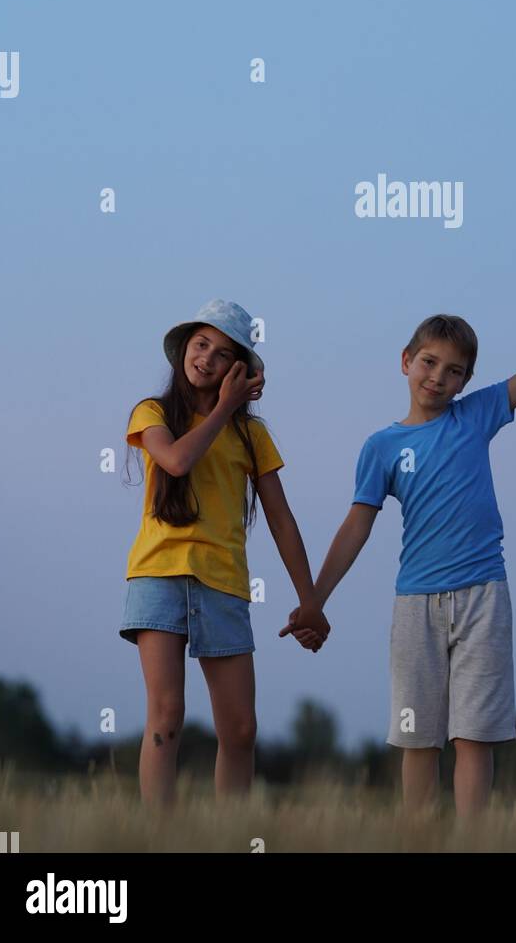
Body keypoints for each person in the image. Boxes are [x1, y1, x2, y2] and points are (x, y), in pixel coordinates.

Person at [282, 276, 516, 817]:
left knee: (475, 737)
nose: (438, 377)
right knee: (418, 738)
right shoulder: (382, 447)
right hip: (415, 603)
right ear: (405, 361)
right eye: (429, 363)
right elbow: (356, 527)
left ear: (467, 381)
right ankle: (419, 841)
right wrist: (315, 598)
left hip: (484, 598)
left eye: (454, 370)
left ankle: (473, 842)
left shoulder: (477, 415)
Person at [119, 298, 329, 806]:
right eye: (200, 344)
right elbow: (176, 460)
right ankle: (158, 840)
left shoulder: (252, 435)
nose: (206, 358)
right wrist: (224, 409)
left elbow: (281, 517)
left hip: (225, 582)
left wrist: (311, 600)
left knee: (239, 729)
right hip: (158, 576)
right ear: (183, 350)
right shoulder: (153, 412)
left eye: (222, 353)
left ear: (239, 369)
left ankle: (229, 837)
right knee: (165, 718)